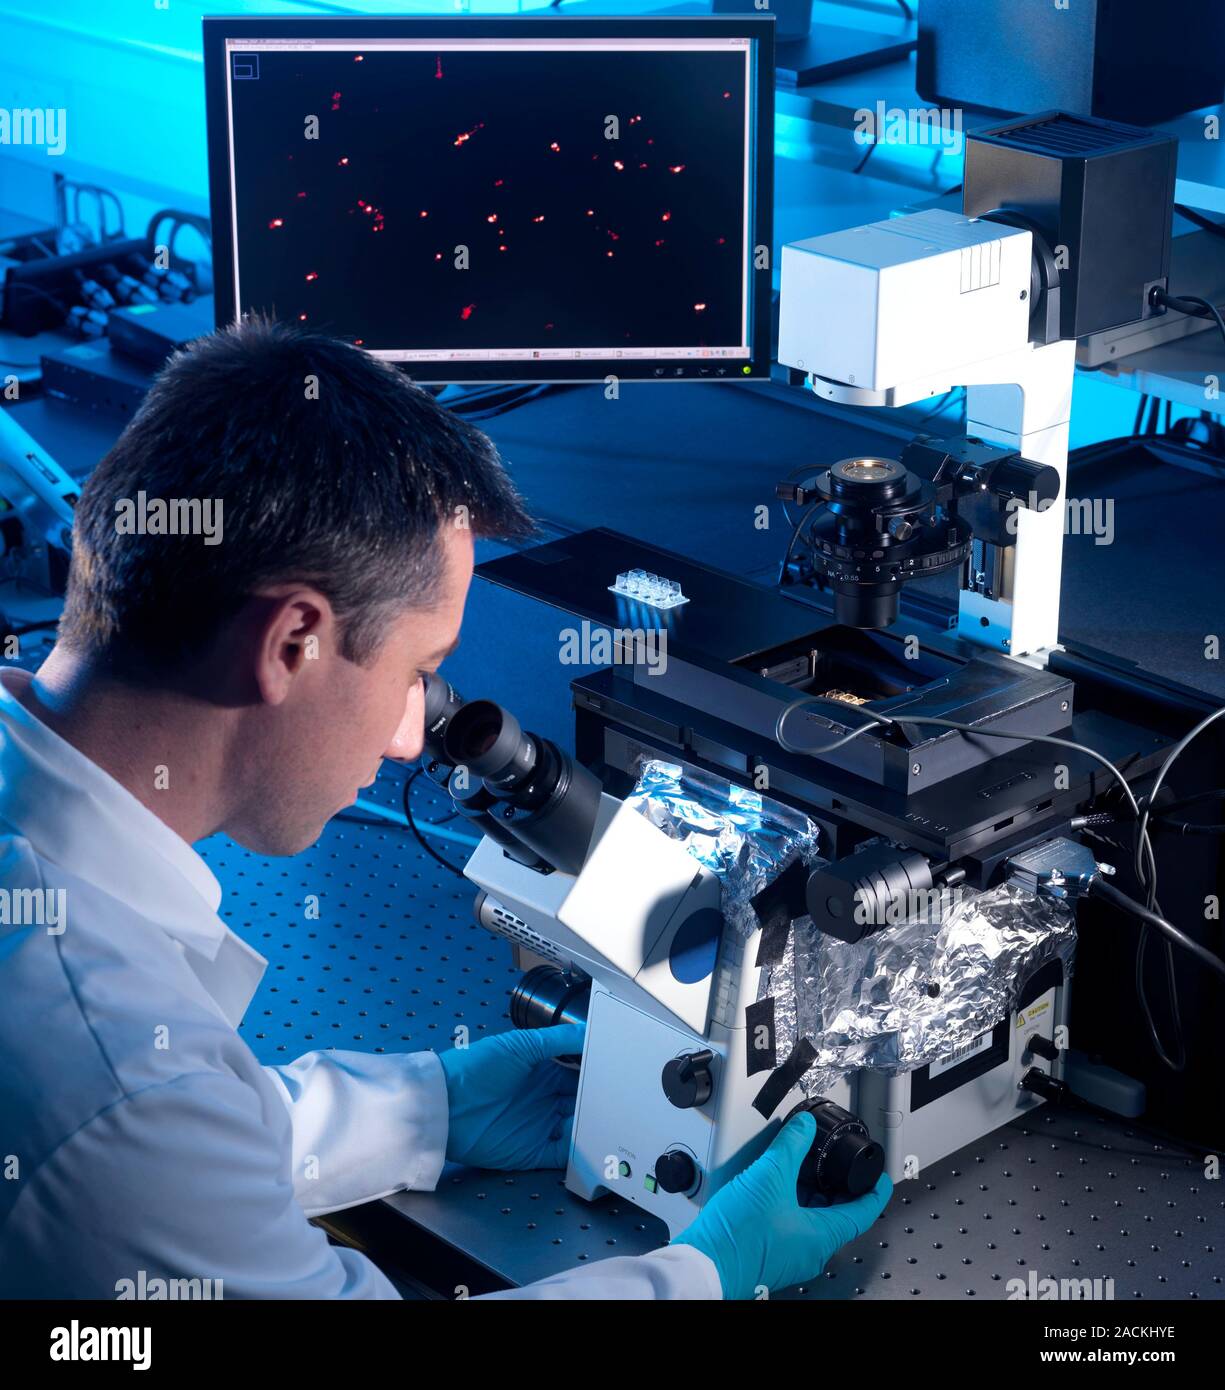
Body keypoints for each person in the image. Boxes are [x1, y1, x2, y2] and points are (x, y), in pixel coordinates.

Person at [0, 319, 891, 1300]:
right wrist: (703, 1274)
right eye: (416, 673)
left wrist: (432, 1106)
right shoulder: (117, 1071)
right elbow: (143, 1138)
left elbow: (170, 1158)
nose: (403, 741)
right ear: (292, 639)